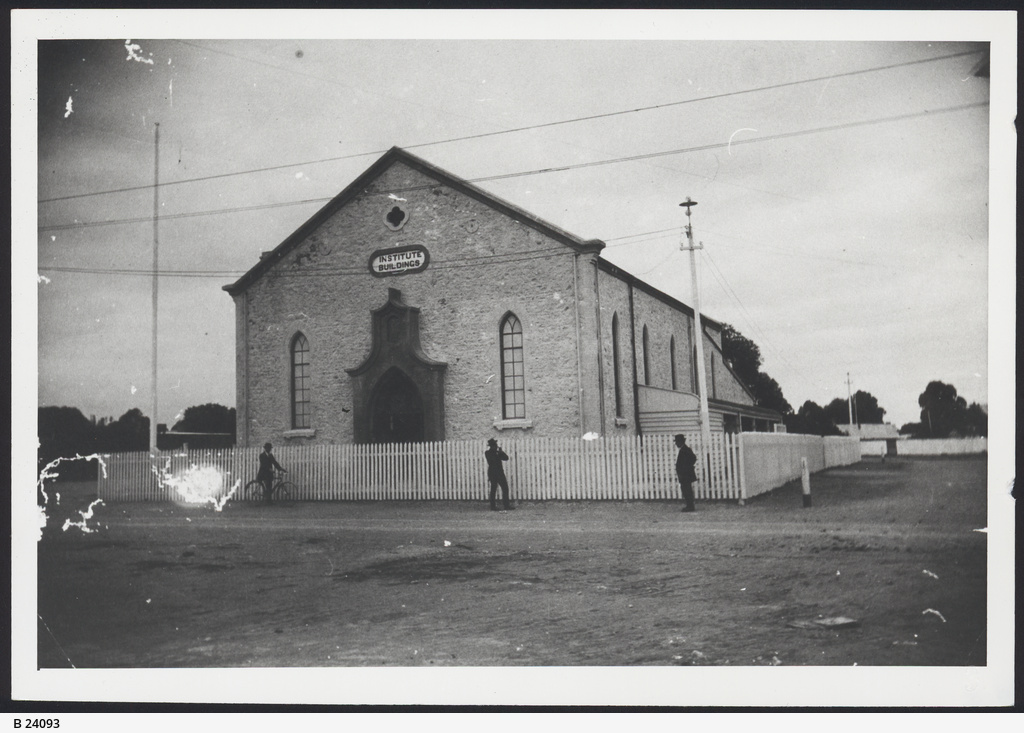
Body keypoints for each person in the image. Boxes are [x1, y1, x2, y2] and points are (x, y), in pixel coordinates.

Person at [485, 438, 513, 511]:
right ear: (492, 446)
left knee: (505, 488)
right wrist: (498, 453)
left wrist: (501, 452)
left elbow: (506, 458)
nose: (496, 446)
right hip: (493, 473)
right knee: (493, 489)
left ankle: (506, 505)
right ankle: (493, 506)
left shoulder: (498, 453)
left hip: (500, 473)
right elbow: (492, 461)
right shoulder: (488, 453)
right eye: (495, 445)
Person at [674, 434, 697, 512]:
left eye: (677, 442)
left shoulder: (685, 450)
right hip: (685, 474)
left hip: (685, 474)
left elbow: (693, 458)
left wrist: (686, 468)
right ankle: (689, 505)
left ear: (681, 442)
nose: (676, 444)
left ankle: (690, 506)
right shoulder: (684, 449)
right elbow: (693, 459)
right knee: (686, 489)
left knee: (687, 490)